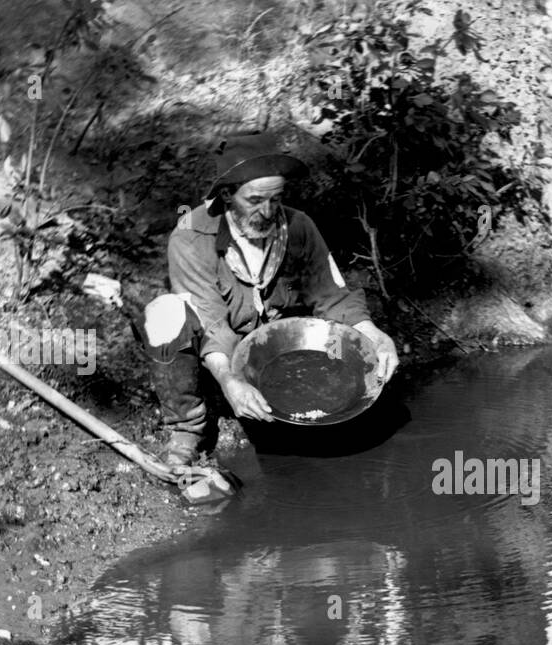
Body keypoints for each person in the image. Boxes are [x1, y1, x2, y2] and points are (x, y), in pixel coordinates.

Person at [137, 132, 399, 467]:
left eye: (276, 200)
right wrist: (231, 381)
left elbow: (334, 297)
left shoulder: (298, 227)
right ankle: (188, 426)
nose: (268, 211)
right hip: (219, 343)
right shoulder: (190, 238)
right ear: (228, 194)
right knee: (163, 319)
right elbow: (211, 325)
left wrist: (374, 335)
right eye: (256, 201)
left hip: (277, 348)